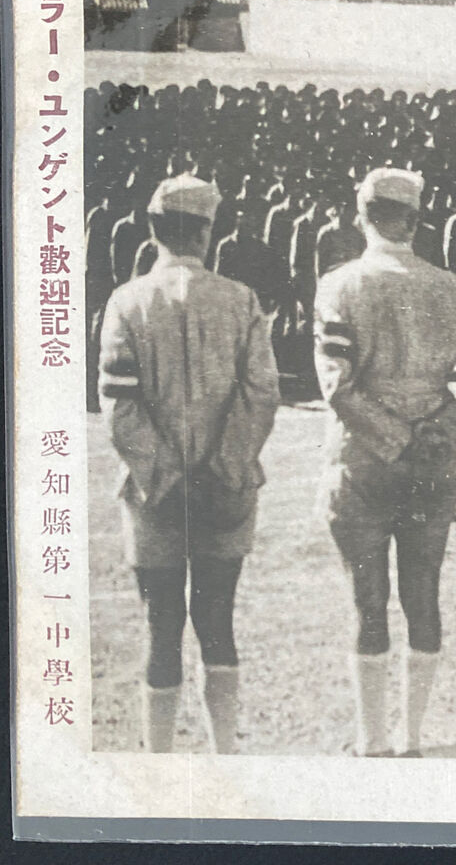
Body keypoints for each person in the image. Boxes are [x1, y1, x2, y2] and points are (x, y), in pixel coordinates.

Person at [313, 169, 456, 757]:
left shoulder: (340, 284)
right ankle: (413, 738)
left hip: (362, 462)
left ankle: (372, 740)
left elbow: (336, 384)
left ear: (361, 215)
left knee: (367, 602)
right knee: (423, 596)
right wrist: (443, 431)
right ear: (418, 220)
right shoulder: (450, 288)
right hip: (433, 460)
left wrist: (391, 436)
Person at [98, 175, 280, 753]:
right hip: (226, 491)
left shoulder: (126, 301)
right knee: (217, 624)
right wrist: (222, 468)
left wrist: (167, 475)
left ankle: (159, 765)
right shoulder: (240, 299)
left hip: (153, 495)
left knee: (162, 628)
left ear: (152, 231)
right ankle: (224, 757)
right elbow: (262, 394)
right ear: (208, 229)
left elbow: (118, 402)